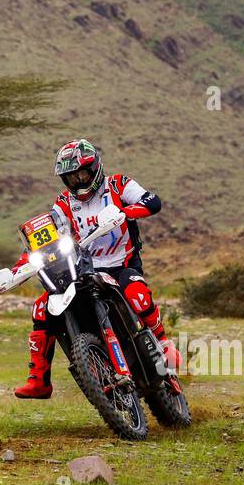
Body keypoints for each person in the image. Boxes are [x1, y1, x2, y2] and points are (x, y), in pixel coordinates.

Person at [13, 139, 179, 399]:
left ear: (94, 168)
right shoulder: (64, 202)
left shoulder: (118, 184)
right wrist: (22, 263)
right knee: (41, 307)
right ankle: (39, 380)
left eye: (81, 173)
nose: (77, 181)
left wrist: (125, 212)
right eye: (70, 177)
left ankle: (164, 343)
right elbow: (46, 236)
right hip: (84, 268)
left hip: (122, 264)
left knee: (136, 293)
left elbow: (152, 201)